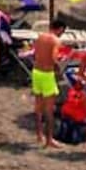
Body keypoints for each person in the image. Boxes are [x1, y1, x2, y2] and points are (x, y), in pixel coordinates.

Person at [32, 20, 67, 148]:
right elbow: (53, 58)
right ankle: (49, 140)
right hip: (47, 74)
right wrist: (59, 66)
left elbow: (35, 53)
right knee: (49, 109)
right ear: (60, 29)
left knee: (38, 107)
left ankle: (39, 135)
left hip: (36, 72)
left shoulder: (40, 37)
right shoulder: (55, 41)